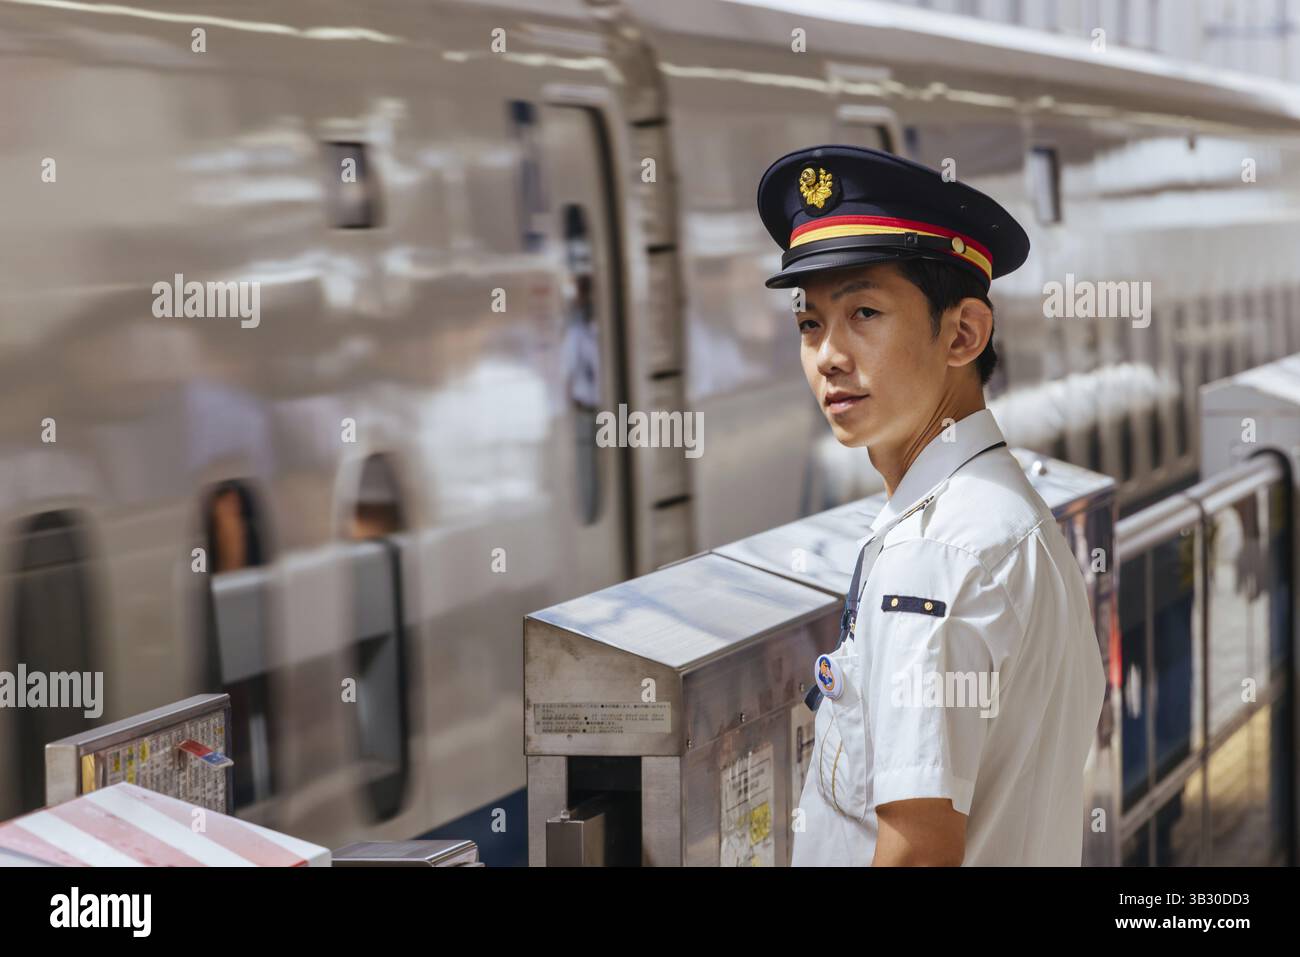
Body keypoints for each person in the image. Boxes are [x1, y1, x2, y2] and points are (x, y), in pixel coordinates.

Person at [756, 145, 1106, 865]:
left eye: (864, 311)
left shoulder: (934, 554)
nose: (827, 355)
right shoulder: (1010, 517)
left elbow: (916, 852)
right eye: (810, 323)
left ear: (963, 334)